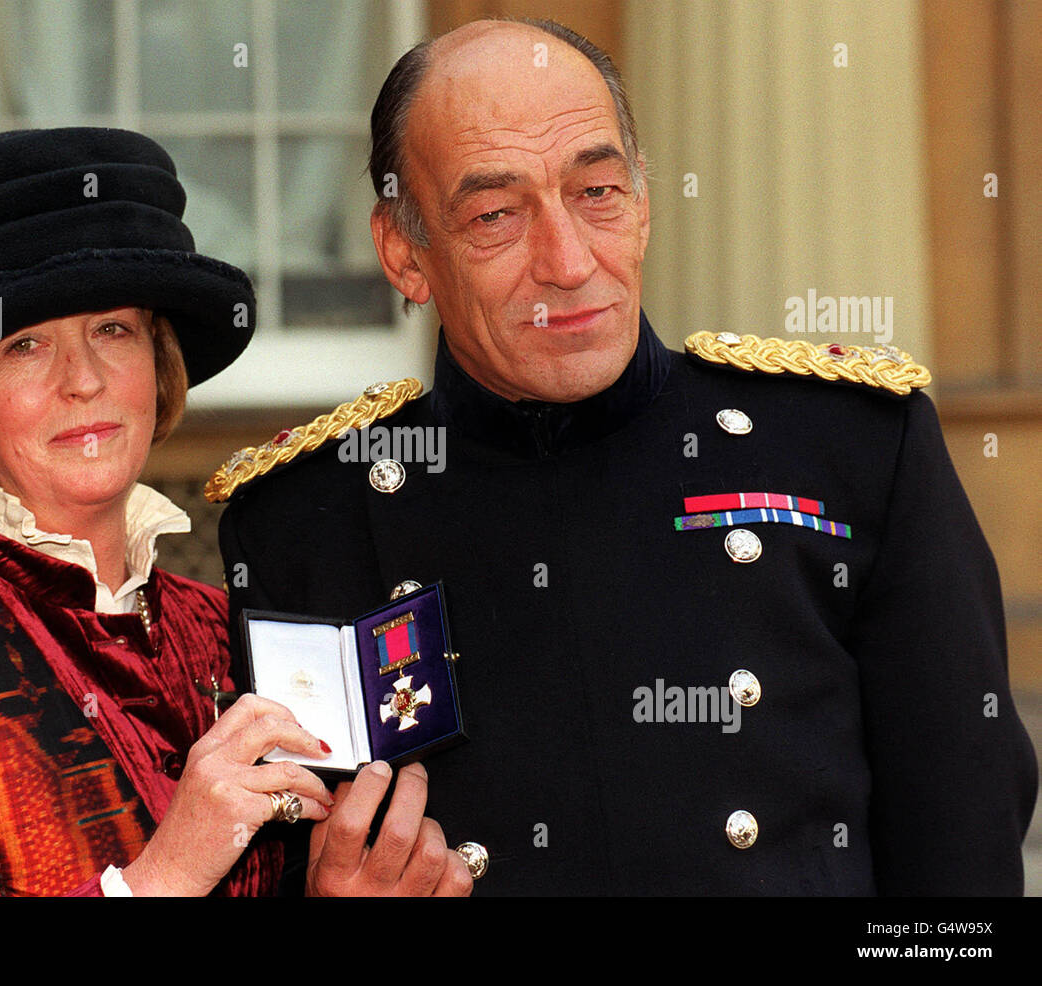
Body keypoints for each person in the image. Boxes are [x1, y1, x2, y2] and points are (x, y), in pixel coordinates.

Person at [211, 20, 1038, 894]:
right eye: (494, 214)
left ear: (642, 204)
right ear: (404, 254)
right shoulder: (302, 523)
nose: (568, 263)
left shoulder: (852, 450)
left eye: (598, 191)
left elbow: (963, 871)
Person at [0, 127, 471, 897]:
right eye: (23, 345)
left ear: (157, 368)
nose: (83, 380)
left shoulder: (235, 634)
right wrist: (161, 876)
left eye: (112, 331)